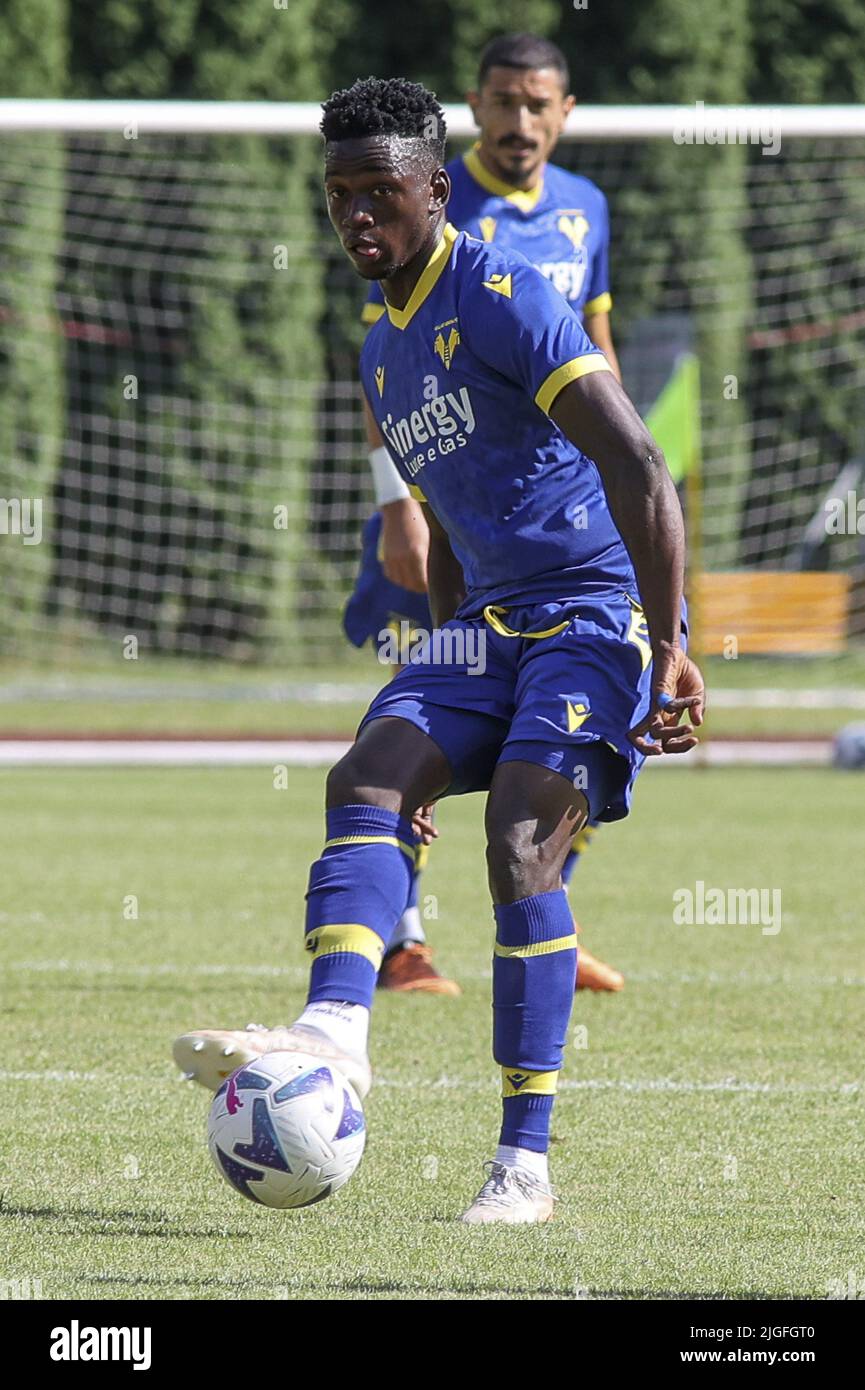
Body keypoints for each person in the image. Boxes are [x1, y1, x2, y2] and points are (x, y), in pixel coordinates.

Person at [174, 77, 705, 1225]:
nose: (359, 218)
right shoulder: (381, 351)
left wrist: (668, 645)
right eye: (338, 199)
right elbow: (453, 524)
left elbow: (640, 468)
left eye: (380, 194)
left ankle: (524, 1164)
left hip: (597, 614)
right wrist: (446, 668)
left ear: (435, 188)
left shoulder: (506, 296)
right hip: (492, 626)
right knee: (367, 773)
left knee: (519, 838)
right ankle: (334, 1033)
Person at [352, 33, 625, 995]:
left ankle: (546, 903)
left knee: (572, 716)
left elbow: (595, 340)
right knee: (415, 714)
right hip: (441, 498)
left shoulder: (585, 207)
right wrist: (398, 507)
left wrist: (615, 457)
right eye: (503, 102)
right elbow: (384, 351)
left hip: (556, 508)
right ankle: (400, 935)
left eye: (537, 104)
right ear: (475, 106)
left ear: (565, 111)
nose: (520, 122)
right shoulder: (423, 191)